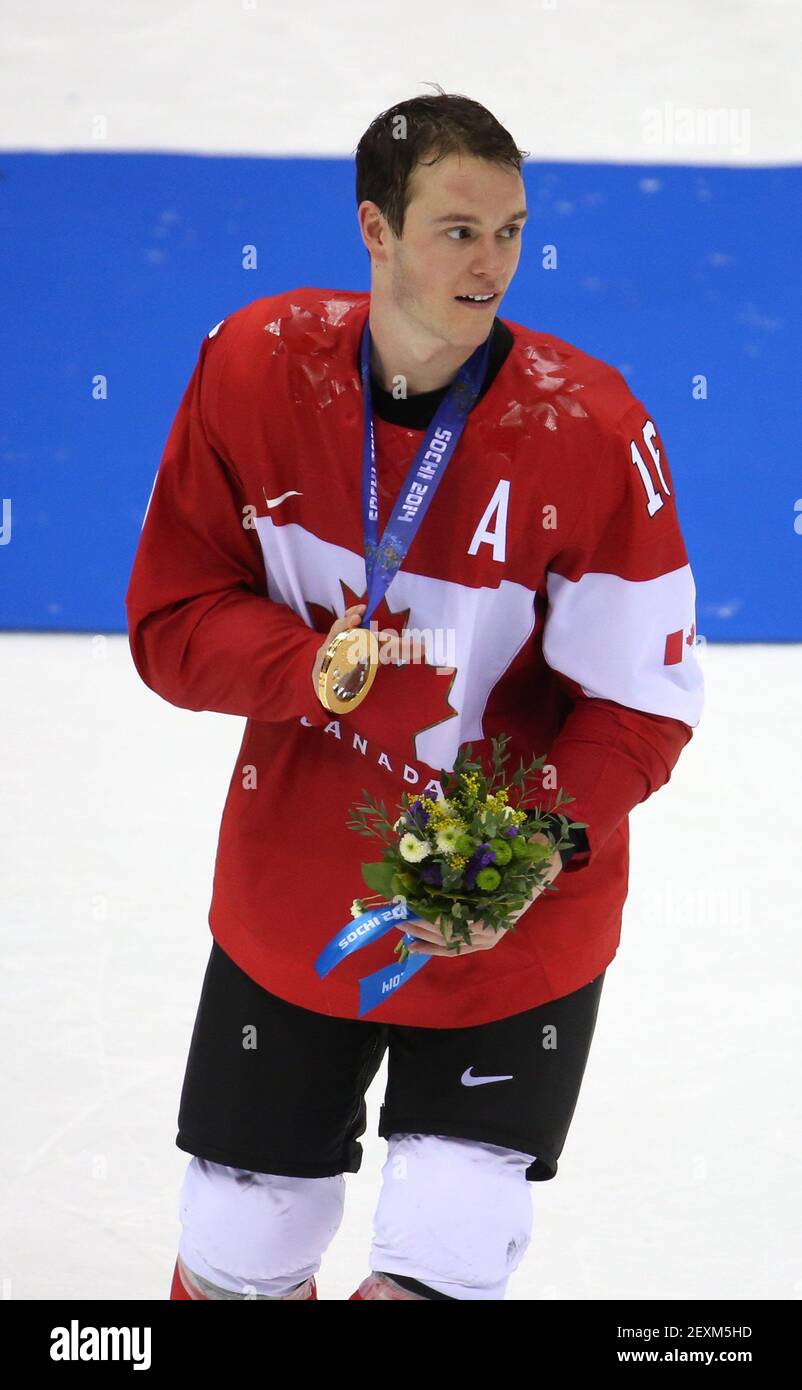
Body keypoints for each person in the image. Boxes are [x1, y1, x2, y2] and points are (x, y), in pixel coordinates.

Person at [125, 87, 704, 1301]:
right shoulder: (250, 368)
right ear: (374, 231)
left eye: (510, 232)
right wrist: (306, 671)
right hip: (301, 888)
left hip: (511, 915)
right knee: (240, 1250)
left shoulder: (593, 431)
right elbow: (172, 625)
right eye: (456, 229)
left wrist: (530, 846)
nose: (490, 264)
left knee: (445, 1251)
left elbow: (644, 705)